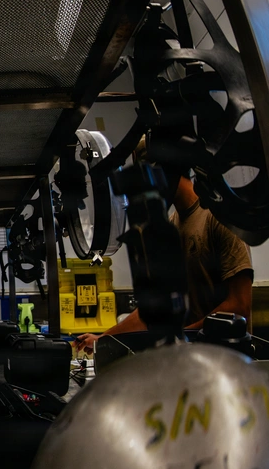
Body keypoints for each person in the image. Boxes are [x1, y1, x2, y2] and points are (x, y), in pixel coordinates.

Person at [76, 150, 252, 352]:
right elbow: (153, 310)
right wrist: (103, 339)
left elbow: (239, 307)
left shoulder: (218, 218)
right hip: (188, 361)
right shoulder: (171, 225)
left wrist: (181, 337)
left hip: (226, 365)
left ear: (168, 171)